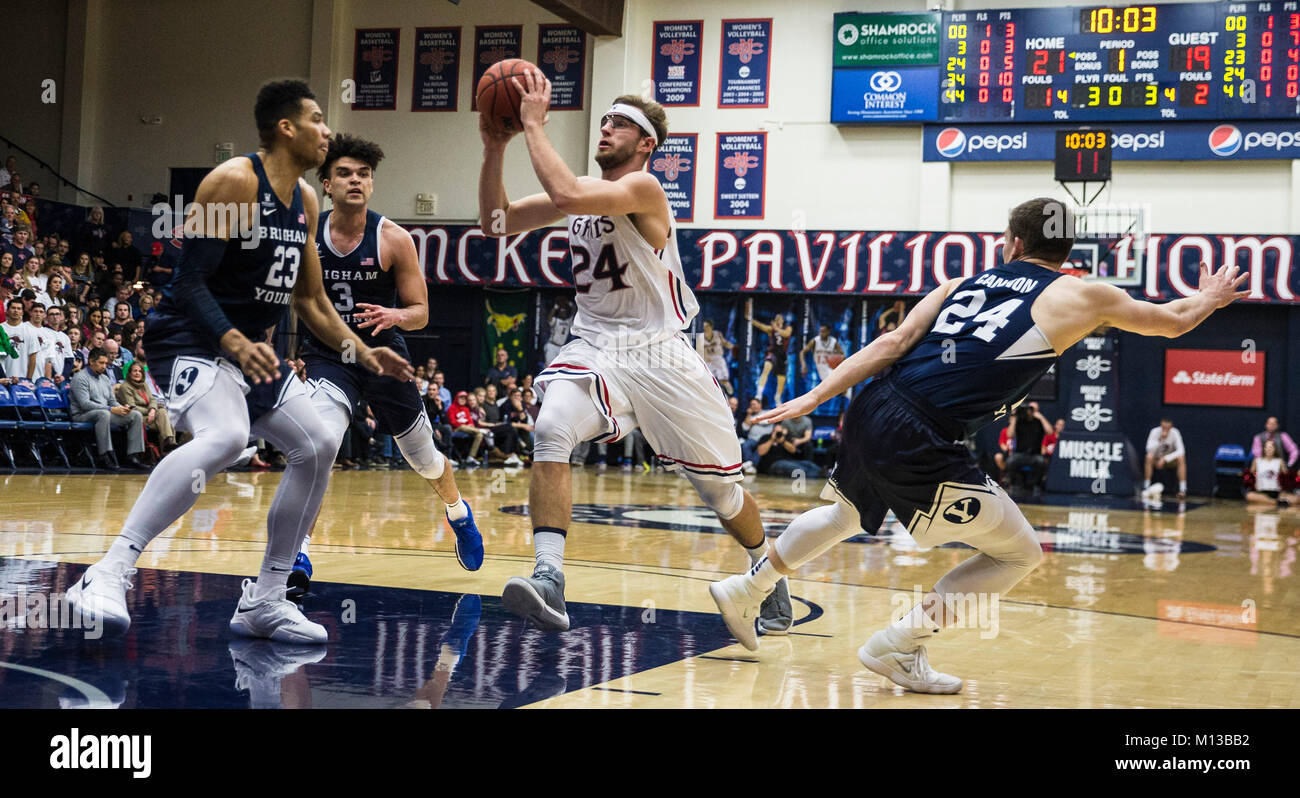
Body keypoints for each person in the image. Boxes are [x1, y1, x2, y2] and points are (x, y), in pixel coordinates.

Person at [708, 197, 1248, 693]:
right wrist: (1209, 297)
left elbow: (892, 342)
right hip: (922, 432)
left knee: (844, 515)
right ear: (1067, 249)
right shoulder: (1083, 293)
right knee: (1019, 553)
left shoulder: (962, 282)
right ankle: (899, 645)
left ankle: (748, 589)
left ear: (1013, 242)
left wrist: (815, 396)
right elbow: (1174, 321)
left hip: (873, 405)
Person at [65, 80, 411, 643]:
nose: (328, 131)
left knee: (320, 441)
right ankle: (108, 572)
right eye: (318, 119)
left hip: (250, 350)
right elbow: (190, 281)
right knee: (225, 437)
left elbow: (311, 302)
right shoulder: (232, 182)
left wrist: (362, 351)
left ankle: (267, 599)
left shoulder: (304, 199)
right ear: (286, 128)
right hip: (190, 339)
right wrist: (231, 340)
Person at [478, 74, 792, 633]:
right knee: (551, 426)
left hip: (662, 354)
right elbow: (495, 224)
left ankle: (766, 572)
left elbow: (569, 194)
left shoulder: (644, 189)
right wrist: (494, 145)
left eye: (619, 123)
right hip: (598, 345)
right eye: (603, 120)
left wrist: (531, 124)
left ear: (646, 144)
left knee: (721, 492)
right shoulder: (574, 197)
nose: (605, 128)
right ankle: (549, 576)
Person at [299, 132, 482, 593]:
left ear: (373, 184)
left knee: (422, 457)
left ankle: (458, 512)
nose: (354, 181)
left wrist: (395, 314)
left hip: (384, 358)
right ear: (326, 183)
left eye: (363, 174)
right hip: (329, 356)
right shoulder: (307, 234)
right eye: (344, 173)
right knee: (320, 443)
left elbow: (421, 313)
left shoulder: (394, 238)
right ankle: (297, 553)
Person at [70, 347, 148, 470]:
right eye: (101, 363)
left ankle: (133, 455)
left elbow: (112, 401)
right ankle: (104, 455)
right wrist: (110, 409)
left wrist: (122, 407)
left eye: (106, 363)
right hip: (82, 415)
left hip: (104, 412)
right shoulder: (80, 378)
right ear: (91, 361)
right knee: (103, 414)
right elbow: (84, 404)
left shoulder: (105, 379)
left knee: (135, 415)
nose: (104, 366)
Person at [116, 360, 177, 452]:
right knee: (164, 421)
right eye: (134, 371)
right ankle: (169, 447)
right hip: (138, 417)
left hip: (151, 416)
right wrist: (150, 411)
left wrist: (152, 410)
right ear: (129, 373)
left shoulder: (144, 384)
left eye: (140, 371)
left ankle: (168, 443)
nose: (137, 373)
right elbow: (133, 407)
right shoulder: (125, 387)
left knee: (163, 415)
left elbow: (152, 399)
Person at [749, 312, 792, 402]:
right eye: (776, 319)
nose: (778, 320)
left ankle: (778, 398)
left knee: (781, 380)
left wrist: (776, 328)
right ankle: (759, 394)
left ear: (783, 321)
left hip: (782, 356)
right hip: (772, 352)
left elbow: (786, 334)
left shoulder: (787, 328)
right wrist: (750, 319)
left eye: (780, 319)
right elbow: (760, 326)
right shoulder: (771, 329)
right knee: (766, 368)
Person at [1143, 417, 1187, 500]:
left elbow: (1181, 450)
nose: (1165, 429)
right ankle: (1146, 487)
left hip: (1169, 461)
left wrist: (1165, 459)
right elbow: (1148, 449)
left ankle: (1183, 490)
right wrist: (1159, 440)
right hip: (1156, 460)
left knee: (1181, 458)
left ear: (1171, 426)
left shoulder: (1175, 433)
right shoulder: (1154, 432)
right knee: (1149, 457)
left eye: (1167, 428)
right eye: (1163, 427)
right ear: (1161, 425)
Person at [1247, 440, 1293, 506]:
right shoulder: (1257, 461)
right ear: (1264, 449)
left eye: (1271, 447)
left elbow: (1286, 478)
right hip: (1261, 492)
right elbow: (1250, 476)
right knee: (1250, 496)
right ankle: (1275, 502)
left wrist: (1284, 490)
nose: (1269, 449)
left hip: (1276, 491)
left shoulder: (1279, 461)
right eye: (1267, 447)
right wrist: (1254, 484)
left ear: (1275, 449)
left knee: (1296, 498)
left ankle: (1273, 501)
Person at [0, 297, 35, 382]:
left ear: (22, 312)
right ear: (7, 311)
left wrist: (29, 379)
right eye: (13, 308)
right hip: (3, 378)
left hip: (22, 379)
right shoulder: (1, 328)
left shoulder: (30, 330)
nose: (16, 311)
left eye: (19, 309)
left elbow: (33, 358)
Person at [696, 319, 734, 396]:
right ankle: (717, 394)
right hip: (708, 360)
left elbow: (724, 343)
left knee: (723, 380)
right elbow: (699, 351)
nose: (705, 328)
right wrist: (705, 357)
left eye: (707, 326)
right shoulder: (700, 337)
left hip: (718, 358)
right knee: (710, 381)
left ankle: (727, 391)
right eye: (704, 326)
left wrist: (733, 347)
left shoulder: (718, 334)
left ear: (711, 326)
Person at [800, 323, 844, 389]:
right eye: (820, 331)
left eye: (823, 332)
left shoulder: (834, 342)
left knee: (831, 394)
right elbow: (802, 352)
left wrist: (837, 363)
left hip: (829, 373)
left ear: (828, 332)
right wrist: (803, 365)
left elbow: (843, 355)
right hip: (817, 372)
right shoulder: (815, 341)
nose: (821, 333)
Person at [543, 296, 575, 367]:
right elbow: (549, 318)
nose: (563, 312)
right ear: (559, 313)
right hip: (552, 345)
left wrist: (569, 304)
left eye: (564, 311)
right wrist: (555, 307)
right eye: (561, 311)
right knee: (549, 366)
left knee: (559, 367)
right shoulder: (556, 320)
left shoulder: (568, 321)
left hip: (561, 347)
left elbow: (574, 312)